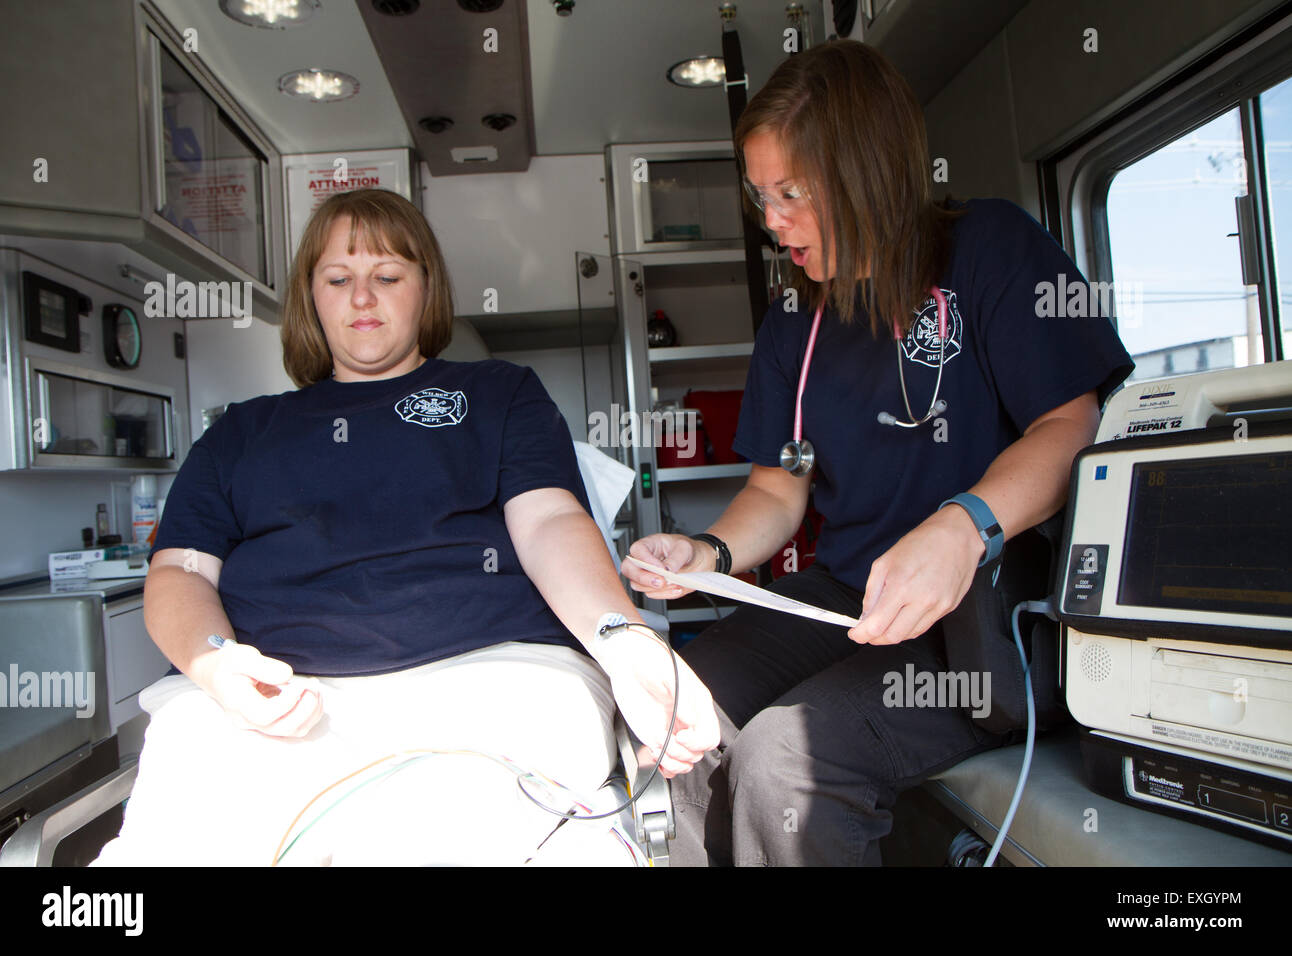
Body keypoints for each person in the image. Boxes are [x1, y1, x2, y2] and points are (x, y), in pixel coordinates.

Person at [621, 40, 1134, 866]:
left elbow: (1069, 426)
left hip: (978, 612)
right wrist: (706, 552)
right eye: (762, 196)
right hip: (847, 602)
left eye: (791, 193)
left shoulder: (991, 249)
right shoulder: (798, 320)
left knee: (786, 765)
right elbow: (779, 488)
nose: (772, 220)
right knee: (677, 709)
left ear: (864, 172)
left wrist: (962, 528)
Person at [94, 188, 718, 866]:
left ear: (427, 289)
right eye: (338, 279)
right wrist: (213, 662)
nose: (363, 297)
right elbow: (179, 570)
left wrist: (619, 637)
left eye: (387, 276)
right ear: (311, 296)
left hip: (491, 682)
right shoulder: (240, 433)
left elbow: (550, 522)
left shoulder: (501, 396)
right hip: (277, 696)